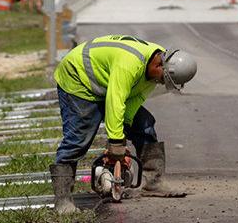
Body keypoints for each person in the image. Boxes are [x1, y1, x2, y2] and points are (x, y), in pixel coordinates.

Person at [50, 34, 197, 213]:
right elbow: (115, 100)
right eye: (162, 79)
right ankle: (63, 200)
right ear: (159, 65)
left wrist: (123, 134)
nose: (160, 83)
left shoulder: (156, 66)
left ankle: (153, 182)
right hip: (78, 78)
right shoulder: (130, 64)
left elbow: (134, 100)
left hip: (106, 82)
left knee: (145, 125)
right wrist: (115, 142)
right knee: (78, 138)